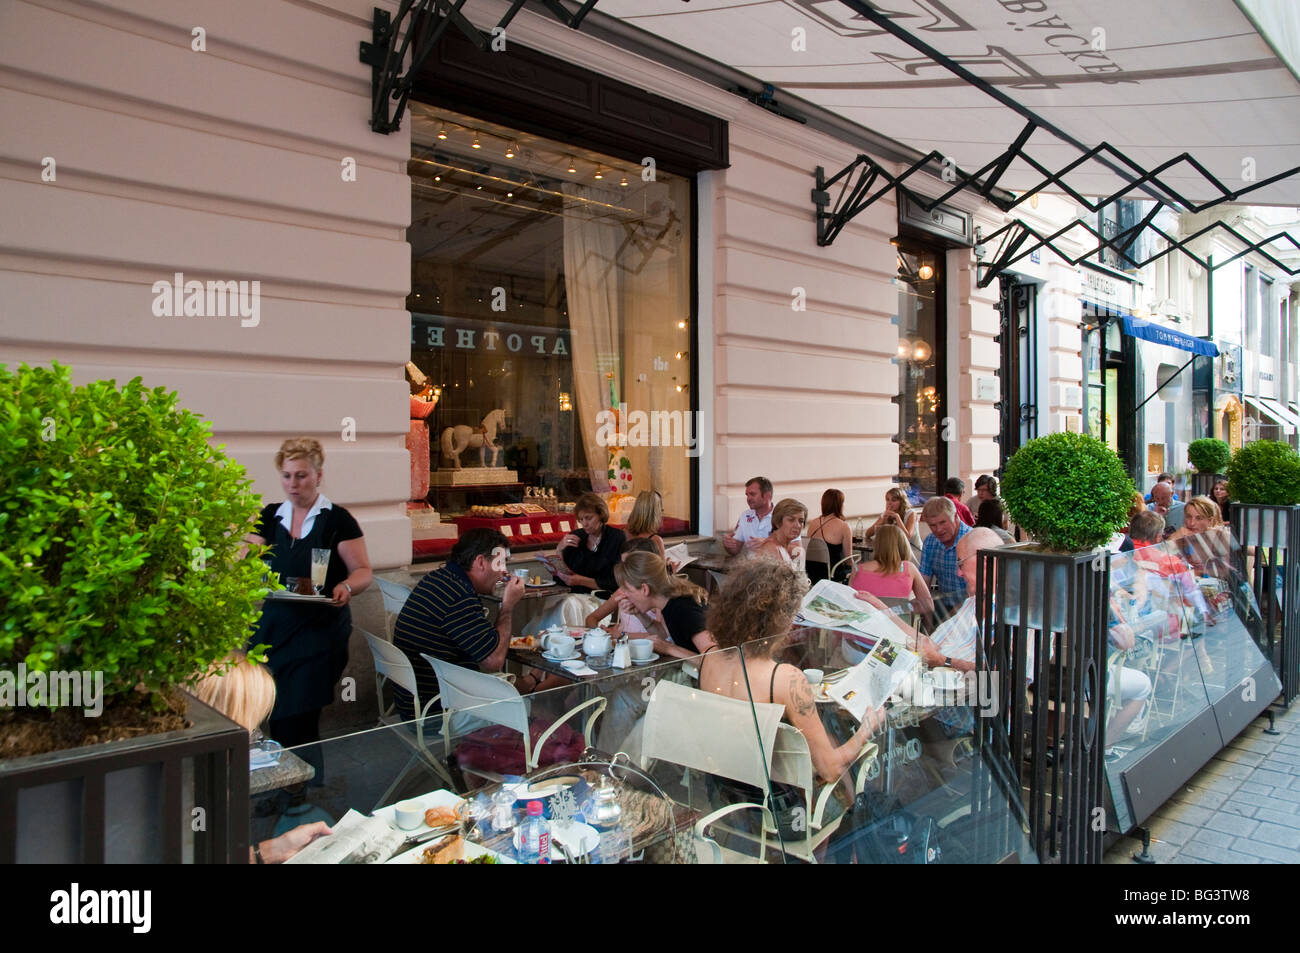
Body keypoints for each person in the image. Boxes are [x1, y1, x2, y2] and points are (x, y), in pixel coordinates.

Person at [245, 438, 373, 766]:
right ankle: (287, 785)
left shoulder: (337, 520)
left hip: (319, 634)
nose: (293, 484)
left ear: (318, 475)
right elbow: (249, 561)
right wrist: (247, 570)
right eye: (287, 476)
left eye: (301, 475)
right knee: (274, 711)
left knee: (298, 715)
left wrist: (345, 585)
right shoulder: (271, 516)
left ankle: (300, 792)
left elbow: (363, 571)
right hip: (274, 629)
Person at [700, 561, 885, 784]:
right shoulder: (785, 678)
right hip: (772, 801)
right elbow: (829, 769)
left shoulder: (709, 657)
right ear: (780, 619)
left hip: (721, 788)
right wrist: (867, 727)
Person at [194, 652, 333, 864]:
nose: (253, 737)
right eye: (250, 725)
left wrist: (271, 851)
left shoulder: (200, 778)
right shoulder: (187, 795)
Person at [392, 528, 543, 720]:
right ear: (480, 562)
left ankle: (528, 682)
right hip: (438, 712)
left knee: (512, 688)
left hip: (418, 700)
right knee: (536, 709)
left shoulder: (439, 579)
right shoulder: (458, 597)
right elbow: (493, 661)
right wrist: (507, 607)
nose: (504, 572)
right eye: (501, 563)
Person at [859, 527, 1005, 673]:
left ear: (985, 562)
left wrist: (943, 661)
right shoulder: (972, 603)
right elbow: (930, 644)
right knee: (873, 669)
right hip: (930, 680)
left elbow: (1006, 678)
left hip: (959, 689)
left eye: (961, 563)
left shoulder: (1015, 614)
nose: (958, 573)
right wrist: (882, 609)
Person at [613, 552, 716, 660]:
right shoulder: (669, 603)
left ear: (645, 589)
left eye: (627, 590)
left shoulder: (685, 609)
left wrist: (669, 648)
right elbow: (664, 635)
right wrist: (638, 614)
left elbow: (716, 659)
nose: (624, 595)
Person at [849, 524, 935, 618]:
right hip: (898, 629)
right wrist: (900, 609)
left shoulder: (857, 569)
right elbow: (928, 606)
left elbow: (848, 604)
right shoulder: (908, 568)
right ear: (903, 544)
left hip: (864, 628)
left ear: (876, 545)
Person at [583, 537, 663, 634]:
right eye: (622, 564)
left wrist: (621, 635)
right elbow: (592, 618)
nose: (623, 570)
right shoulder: (623, 590)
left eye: (628, 565)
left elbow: (663, 637)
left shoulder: (658, 596)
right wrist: (600, 633)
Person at [555, 492, 626, 593]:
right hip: (575, 594)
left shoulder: (616, 537)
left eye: (588, 518)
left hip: (603, 596)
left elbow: (616, 582)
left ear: (601, 515)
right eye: (581, 519)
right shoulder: (576, 536)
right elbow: (560, 578)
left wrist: (581, 581)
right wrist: (559, 550)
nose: (584, 524)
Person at [917, 496, 972, 614]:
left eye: (943, 522)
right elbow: (923, 583)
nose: (939, 529)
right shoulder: (930, 541)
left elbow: (978, 592)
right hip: (942, 606)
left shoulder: (972, 541)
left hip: (971, 608)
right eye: (933, 525)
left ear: (956, 517)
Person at [805, 489, 853, 584]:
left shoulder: (813, 523)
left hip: (811, 573)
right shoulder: (844, 526)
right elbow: (848, 559)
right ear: (840, 505)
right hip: (832, 575)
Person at [862, 487, 922, 560]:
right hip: (894, 551)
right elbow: (868, 534)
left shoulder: (911, 514)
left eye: (893, 500)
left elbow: (907, 537)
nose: (889, 503)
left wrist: (897, 517)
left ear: (902, 501)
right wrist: (882, 521)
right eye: (887, 499)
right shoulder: (886, 514)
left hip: (912, 550)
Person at [722, 477, 774, 555]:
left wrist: (768, 543)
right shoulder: (745, 516)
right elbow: (735, 550)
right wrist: (728, 544)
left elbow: (796, 549)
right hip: (751, 566)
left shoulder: (782, 515)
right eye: (747, 495)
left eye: (752, 494)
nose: (748, 498)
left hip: (776, 566)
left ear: (767, 496)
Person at [755, 498, 807, 567]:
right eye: (791, 520)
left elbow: (800, 576)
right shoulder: (771, 548)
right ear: (778, 522)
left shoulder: (791, 549)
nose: (797, 525)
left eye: (801, 521)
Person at [625, 490, 667, 560]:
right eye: (660, 509)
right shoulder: (656, 541)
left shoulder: (623, 534)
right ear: (655, 514)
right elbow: (661, 570)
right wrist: (671, 570)